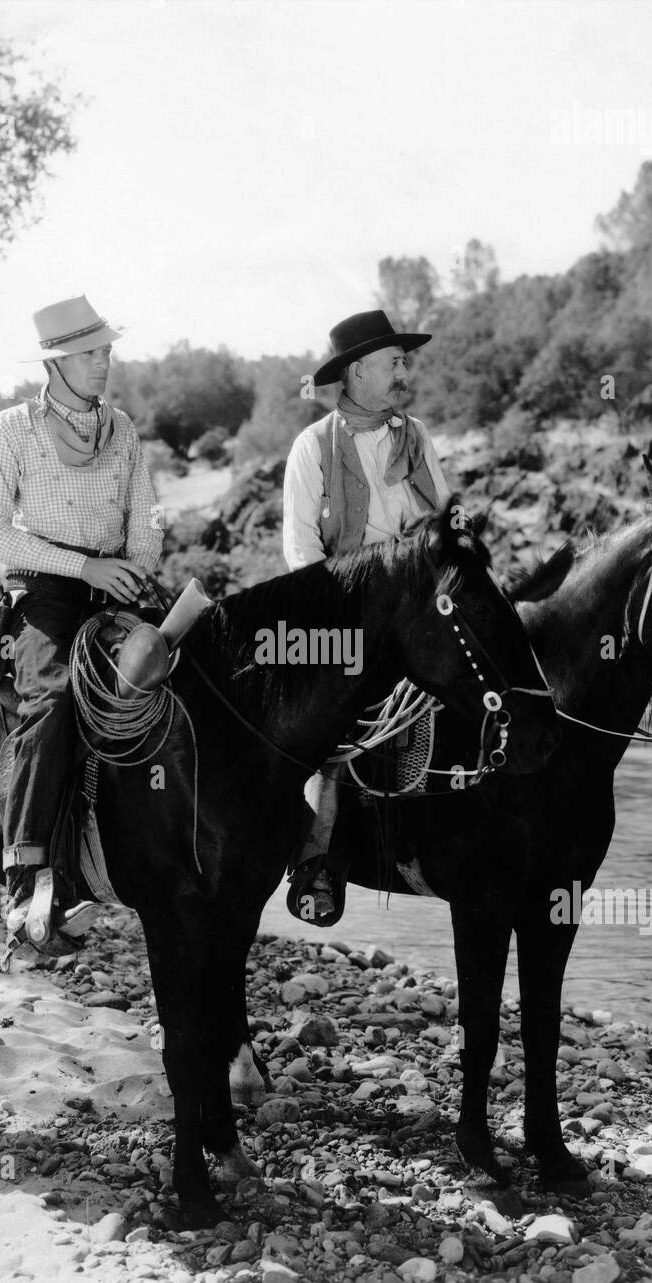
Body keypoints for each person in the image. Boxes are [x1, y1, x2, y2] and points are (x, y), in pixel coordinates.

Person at [0, 294, 161, 945]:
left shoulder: (123, 428)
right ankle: (25, 874)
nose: (103, 362)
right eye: (90, 353)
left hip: (118, 586)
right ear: (55, 362)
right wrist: (85, 571)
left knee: (193, 678)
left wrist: (134, 567)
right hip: (46, 592)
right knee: (52, 701)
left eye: (106, 350)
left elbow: (145, 520)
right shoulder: (11, 429)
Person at [281, 309, 449, 923]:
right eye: (393, 361)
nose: (404, 371)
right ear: (356, 372)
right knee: (336, 724)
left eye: (404, 361)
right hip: (344, 608)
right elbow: (301, 551)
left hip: (421, 602)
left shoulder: (417, 435)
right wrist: (350, 603)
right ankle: (316, 868)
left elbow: (446, 521)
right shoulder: (312, 447)